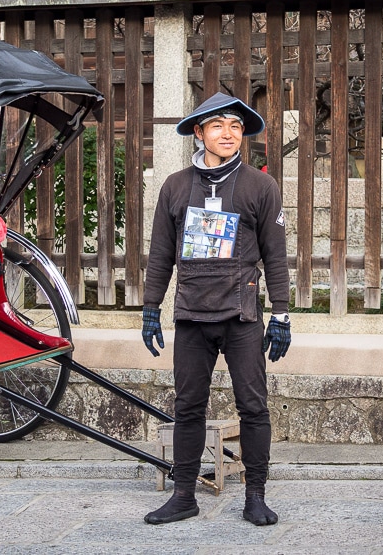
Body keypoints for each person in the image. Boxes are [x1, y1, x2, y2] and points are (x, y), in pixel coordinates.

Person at [141, 91, 291, 527]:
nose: (228, 134)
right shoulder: (174, 186)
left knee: (253, 406)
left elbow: (275, 256)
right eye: (218, 125)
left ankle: (256, 495)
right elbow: (160, 254)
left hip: (242, 314)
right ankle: (184, 494)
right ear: (200, 132)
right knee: (188, 407)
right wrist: (152, 306)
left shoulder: (259, 186)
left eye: (236, 127)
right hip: (191, 313)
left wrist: (280, 312)